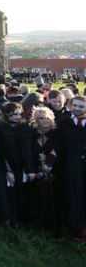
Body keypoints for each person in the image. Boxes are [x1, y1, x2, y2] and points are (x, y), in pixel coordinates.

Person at [55, 95, 86, 241]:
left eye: (81, 106)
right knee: (74, 196)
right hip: (71, 166)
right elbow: (59, 145)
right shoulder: (65, 122)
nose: (78, 109)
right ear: (71, 106)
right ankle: (74, 229)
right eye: (76, 105)